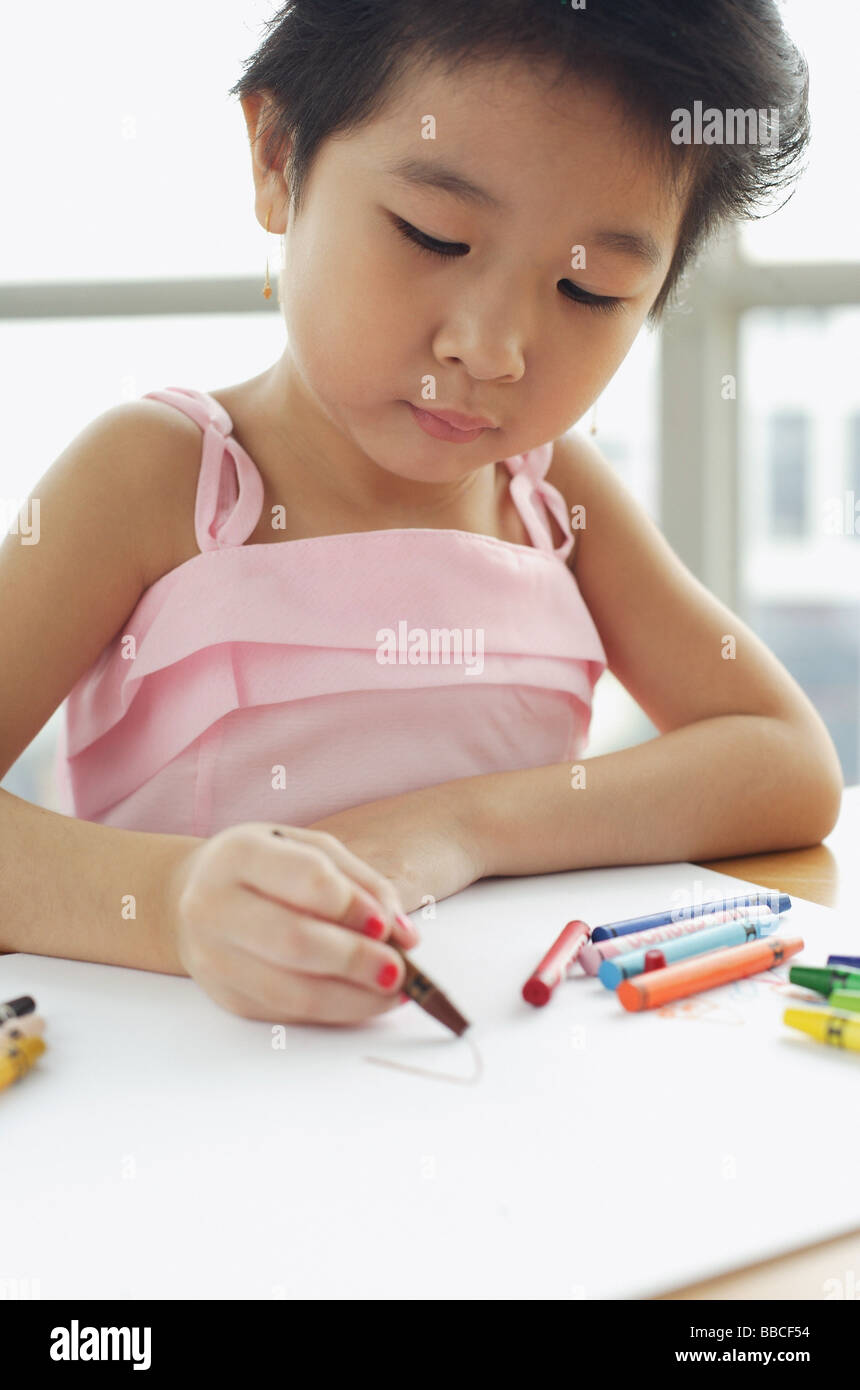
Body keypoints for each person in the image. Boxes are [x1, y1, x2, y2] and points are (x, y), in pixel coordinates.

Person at [0, 0, 842, 1027]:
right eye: (433, 235)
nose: (490, 350)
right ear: (276, 155)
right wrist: (173, 906)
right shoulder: (162, 478)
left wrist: (452, 829)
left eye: (591, 291)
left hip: (483, 1077)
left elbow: (781, 758)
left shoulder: (547, 491)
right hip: (193, 1089)